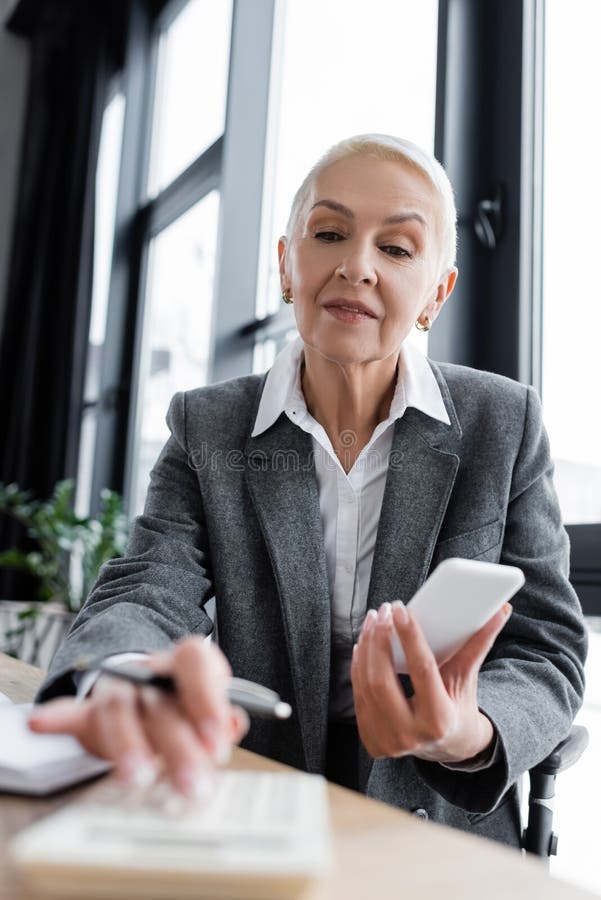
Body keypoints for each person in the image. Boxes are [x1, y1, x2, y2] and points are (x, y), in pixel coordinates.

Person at [30, 134, 587, 847]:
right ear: (287, 263)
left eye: (396, 249)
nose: (355, 266)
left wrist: (461, 732)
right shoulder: (208, 426)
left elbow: (546, 648)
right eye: (328, 234)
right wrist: (125, 680)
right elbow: (145, 588)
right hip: (252, 805)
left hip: (439, 830)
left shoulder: (502, 423)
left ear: (435, 292)